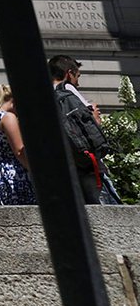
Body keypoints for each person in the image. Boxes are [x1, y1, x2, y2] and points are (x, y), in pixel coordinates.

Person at [51, 55, 109, 204]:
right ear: (69, 73)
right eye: (77, 76)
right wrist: (95, 116)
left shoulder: (40, 95)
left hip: (59, 167)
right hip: (86, 164)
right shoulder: (67, 89)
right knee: (108, 208)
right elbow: (89, 125)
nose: (78, 83)